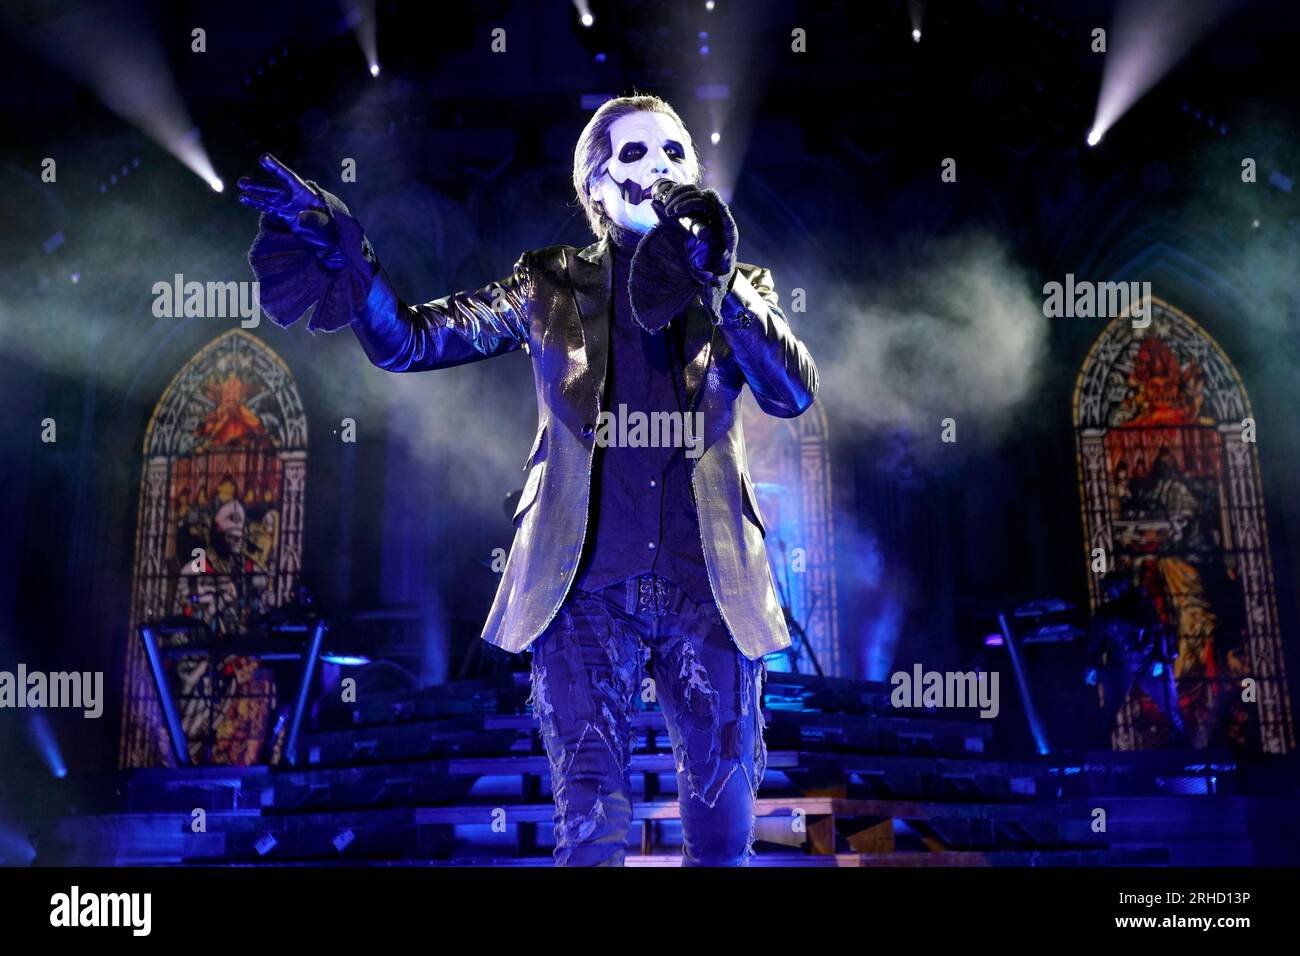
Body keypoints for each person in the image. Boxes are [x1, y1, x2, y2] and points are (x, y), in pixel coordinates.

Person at [238, 93, 819, 865]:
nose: (662, 169)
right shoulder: (550, 284)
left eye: (676, 153)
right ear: (599, 188)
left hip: (709, 587)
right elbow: (414, 341)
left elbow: (793, 392)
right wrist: (356, 262)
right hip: (582, 588)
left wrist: (722, 285)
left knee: (721, 838)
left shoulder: (740, 286)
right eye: (637, 154)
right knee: (593, 828)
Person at [1085, 571, 1188, 747]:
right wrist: (1091, 665)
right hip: (1120, 663)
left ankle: (1183, 742)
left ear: (1123, 587)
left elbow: (1160, 633)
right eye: (1108, 589)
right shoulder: (1105, 613)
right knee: (1111, 705)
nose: (1109, 592)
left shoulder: (1145, 607)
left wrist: (1160, 658)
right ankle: (1100, 746)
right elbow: (1095, 640)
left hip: (1148, 662)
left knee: (1169, 703)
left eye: (1113, 588)